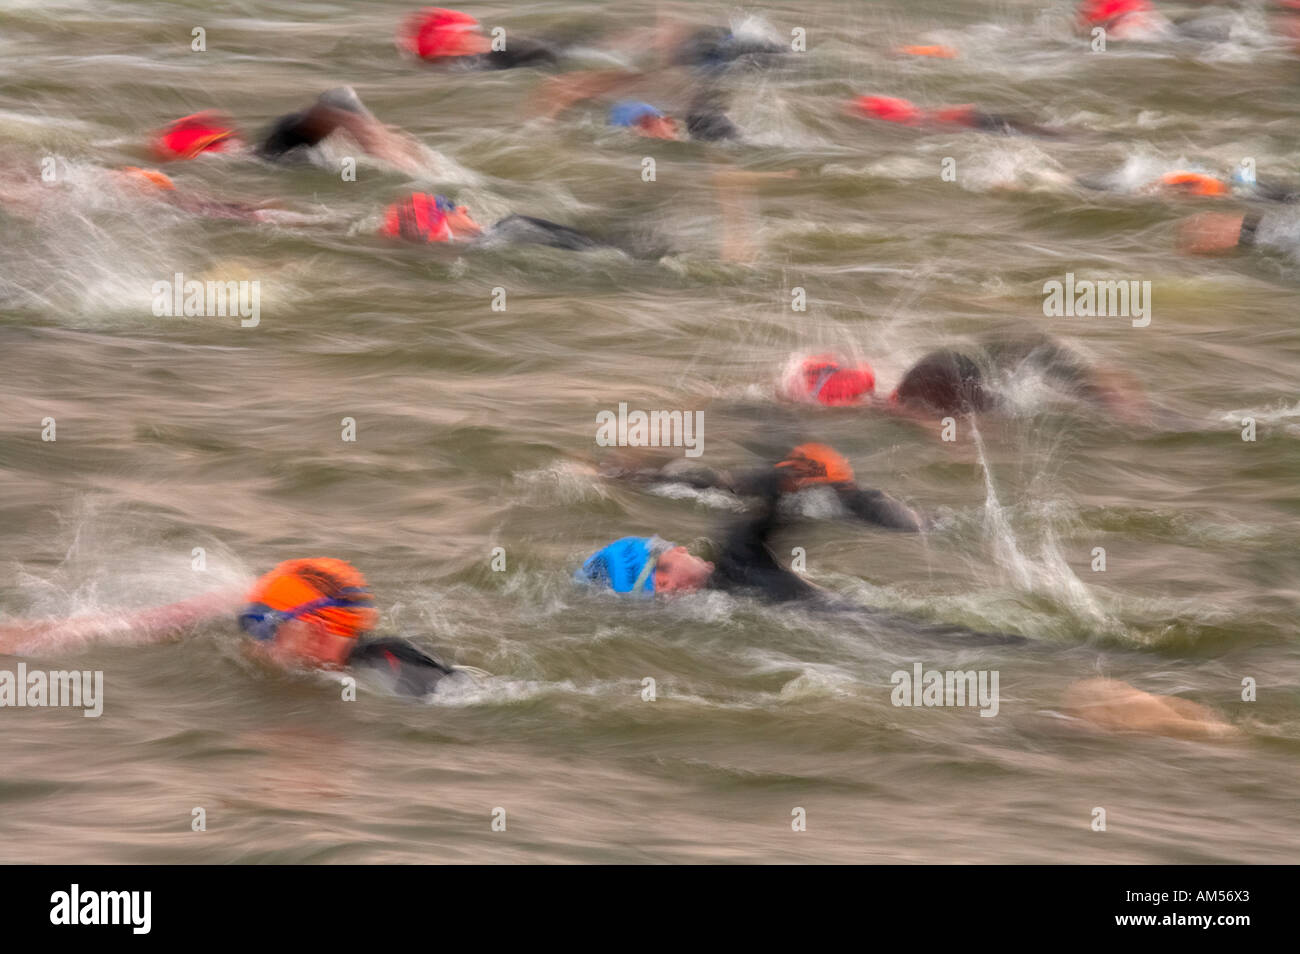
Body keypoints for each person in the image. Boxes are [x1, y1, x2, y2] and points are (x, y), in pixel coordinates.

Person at [1, 558, 470, 699]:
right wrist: (25, 636)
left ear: (314, 632)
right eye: (250, 621)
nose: (251, 637)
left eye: (263, 627)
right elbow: (137, 624)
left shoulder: (389, 673)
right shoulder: (283, 616)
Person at [600, 442, 925, 532]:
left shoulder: (809, 494)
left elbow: (722, 484)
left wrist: (631, 477)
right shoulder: (867, 501)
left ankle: (633, 473)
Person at [850, 96, 1064, 139]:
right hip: (970, 118)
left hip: (969, 122)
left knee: (1037, 134)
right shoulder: (910, 112)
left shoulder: (914, 123)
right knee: (1040, 131)